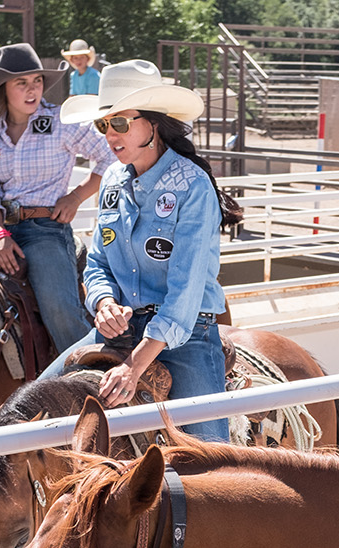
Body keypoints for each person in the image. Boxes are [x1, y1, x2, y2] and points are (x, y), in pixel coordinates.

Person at [39, 59, 240, 443]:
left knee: (211, 455)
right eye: (103, 125)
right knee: (32, 411)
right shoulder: (112, 179)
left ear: (154, 123)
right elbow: (97, 261)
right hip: (122, 329)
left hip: (187, 335)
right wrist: (103, 304)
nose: (110, 136)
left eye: (120, 123)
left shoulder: (193, 186)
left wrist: (133, 367)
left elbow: (185, 292)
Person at [0, 42, 117, 351]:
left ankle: (85, 374)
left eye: (36, 81)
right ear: (3, 90)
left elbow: (110, 157)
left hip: (45, 230)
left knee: (61, 313)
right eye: (21, 83)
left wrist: (75, 197)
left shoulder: (62, 121)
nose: (32, 89)